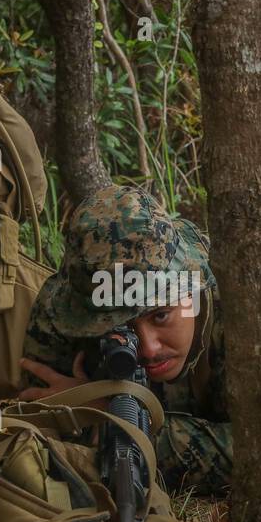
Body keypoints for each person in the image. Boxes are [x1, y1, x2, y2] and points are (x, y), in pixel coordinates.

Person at [20, 185, 232, 495]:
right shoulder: (61, 314)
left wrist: (105, 416)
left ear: (192, 294)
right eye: (119, 326)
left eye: (161, 315)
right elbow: (41, 428)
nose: (148, 348)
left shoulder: (236, 318)